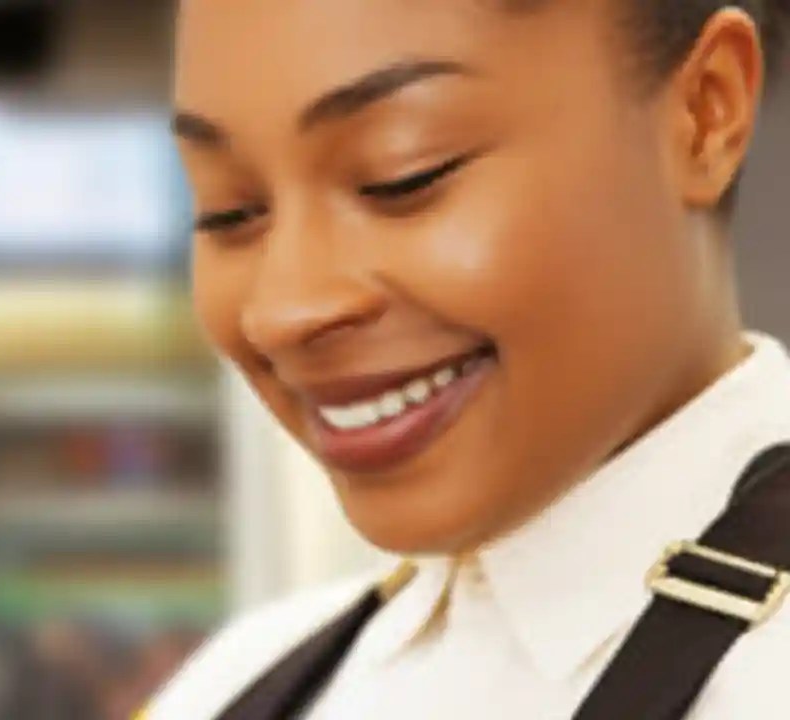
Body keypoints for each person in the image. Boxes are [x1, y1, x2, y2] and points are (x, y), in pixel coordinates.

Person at [145, 0, 790, 718]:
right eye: (228, 211)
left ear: (706, 112)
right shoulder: (230, 682)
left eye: (405, 174)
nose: (283, 310)